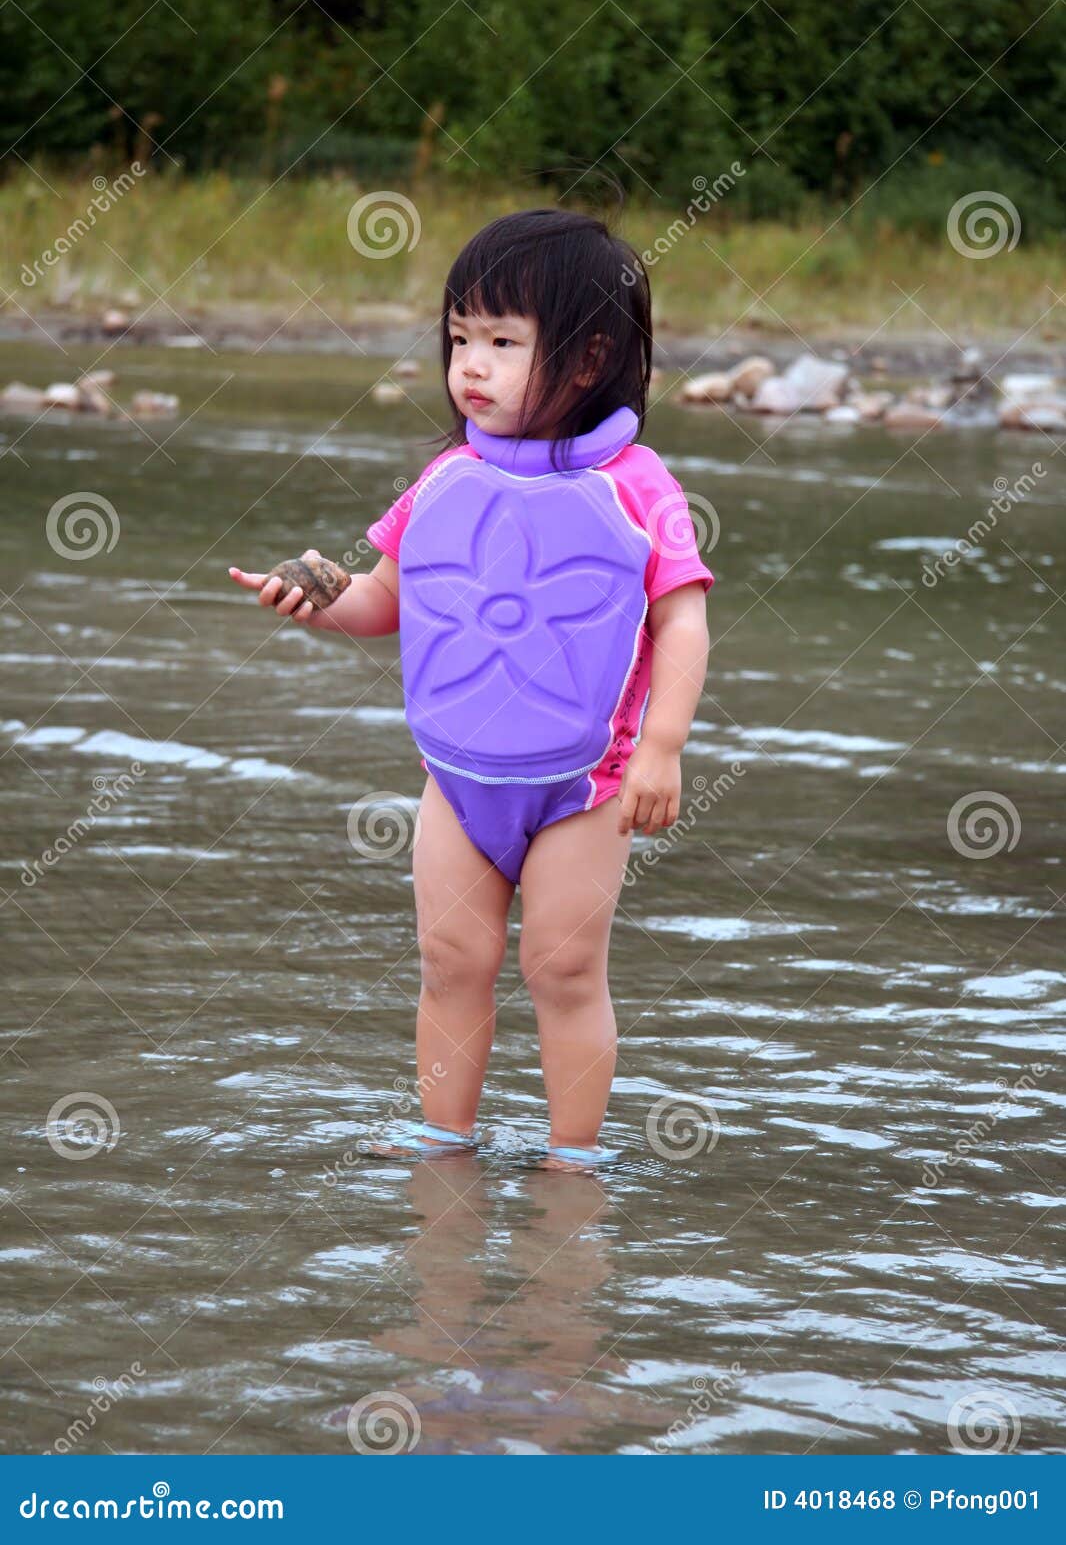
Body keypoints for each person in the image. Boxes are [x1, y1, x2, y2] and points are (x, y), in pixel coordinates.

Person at [229, 208, 713, 1168]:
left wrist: (662, 749)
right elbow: (385, 598)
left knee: (562, 969)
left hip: (586, 786)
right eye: (459, 339)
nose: (469, 367)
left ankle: (571, 1162)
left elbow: (683, 622)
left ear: (588, 359)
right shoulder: (447, 476)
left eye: (501, 342)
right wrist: (316, 599)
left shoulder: (638, 483)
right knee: (451, 961)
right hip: (455, 780)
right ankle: (442, 1144)